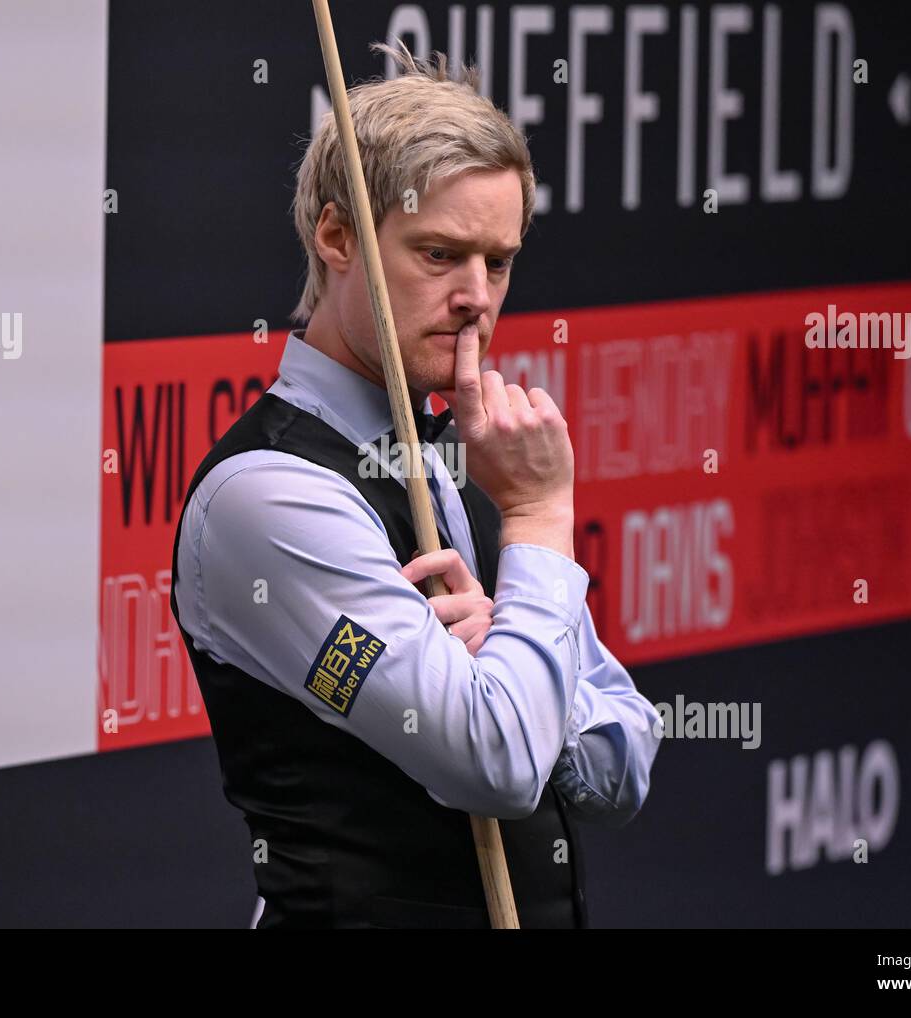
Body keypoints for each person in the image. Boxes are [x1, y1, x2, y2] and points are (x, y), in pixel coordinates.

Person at [170, 40, 661, 929]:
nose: (478, 296)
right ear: (338, 236)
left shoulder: (471, 454)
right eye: (440, 255)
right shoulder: (267, 497)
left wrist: (509, 658)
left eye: (499, 261)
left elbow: (626, 763)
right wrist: (542, 518)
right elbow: (497, 762)